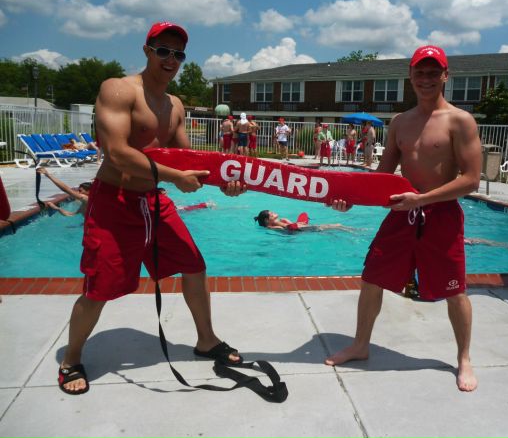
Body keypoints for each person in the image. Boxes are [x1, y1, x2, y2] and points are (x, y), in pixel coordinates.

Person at [56, 22, 246, 396]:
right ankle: (71, 358)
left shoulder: (174, 105)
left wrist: (225, 181)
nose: (171, 59)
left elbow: (189, 160)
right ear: (147, 51)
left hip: (153, 201)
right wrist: (176, 177)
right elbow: (117, 153)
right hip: (114, 201)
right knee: (99, 287)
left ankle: (206, 339)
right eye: (163, 51)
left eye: (178, 54)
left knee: (194, 265)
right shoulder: (118, 89)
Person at [325, 45, 481, 392]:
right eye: (419, 72)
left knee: (455, 290)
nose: (426, 79)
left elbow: (471, 180)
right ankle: (360, 345)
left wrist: (421, 199)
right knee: (371, 277)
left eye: (433, 72)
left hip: (441, 214)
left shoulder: (460, 121)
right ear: (410, 76)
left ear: (445, 75)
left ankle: (464, 358)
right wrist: (350, 200)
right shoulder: (400, 122)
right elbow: (381, 177)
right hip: (402, 214)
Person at [254, 210, 351, 232]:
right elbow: (283, 229)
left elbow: (292, 224)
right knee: (334, 226)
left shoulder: (282, 220)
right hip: (302, 230)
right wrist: (288, 225)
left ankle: (350, 229)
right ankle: (351, 230)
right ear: (267, 220)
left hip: (301, 228)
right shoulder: (271, 227)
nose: (274, 213)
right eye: (272, 213)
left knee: (334, 226)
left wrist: (297, 223)